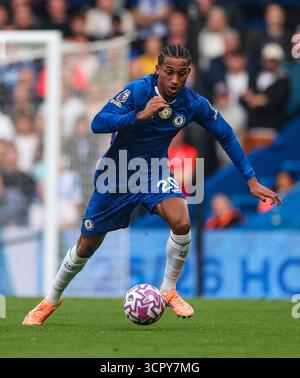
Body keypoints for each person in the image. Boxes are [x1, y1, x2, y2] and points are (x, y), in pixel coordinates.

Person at [23, 45, 282, 326]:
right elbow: (98, 123)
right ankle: (51, 299)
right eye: (169, 72)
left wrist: (251, 179)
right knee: (86, 246)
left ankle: (168, 289)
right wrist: (138, 116)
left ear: (188, 74)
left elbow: (227, 135)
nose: (174, 80)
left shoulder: (192, 103)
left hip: (154, 172)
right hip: (118, 172)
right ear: (157, 69)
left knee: (182, 222)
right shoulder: (138, 91)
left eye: (181, 74)